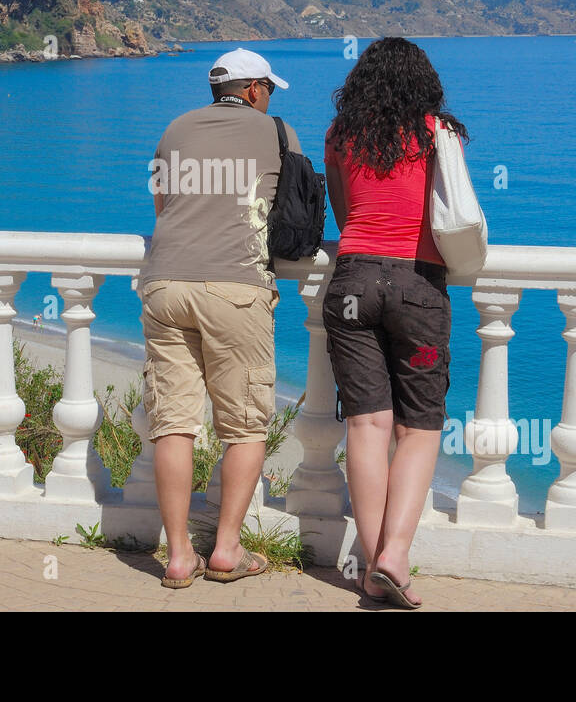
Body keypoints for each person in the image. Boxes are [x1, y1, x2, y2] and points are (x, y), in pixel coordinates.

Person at [139, 47, 299, 588]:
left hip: (165, 283)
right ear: (254, 89)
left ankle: (180, 556)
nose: (270, 97)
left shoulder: (175, 128)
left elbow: (162, 207)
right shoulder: (277, 132)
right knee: (246, 425)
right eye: (269, 88)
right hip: (236, 286)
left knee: (175, 422)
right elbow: (293, 208)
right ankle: (227, 549)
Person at [321, 37, 469, 609]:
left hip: (353, 280)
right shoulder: (438, 133)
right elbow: (452, 208)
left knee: (368, 426)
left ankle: (366, 559)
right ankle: (395, 556)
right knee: (420, 426)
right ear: (423, 82)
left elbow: (343, 212)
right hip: (418, 284)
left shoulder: (340, 135)